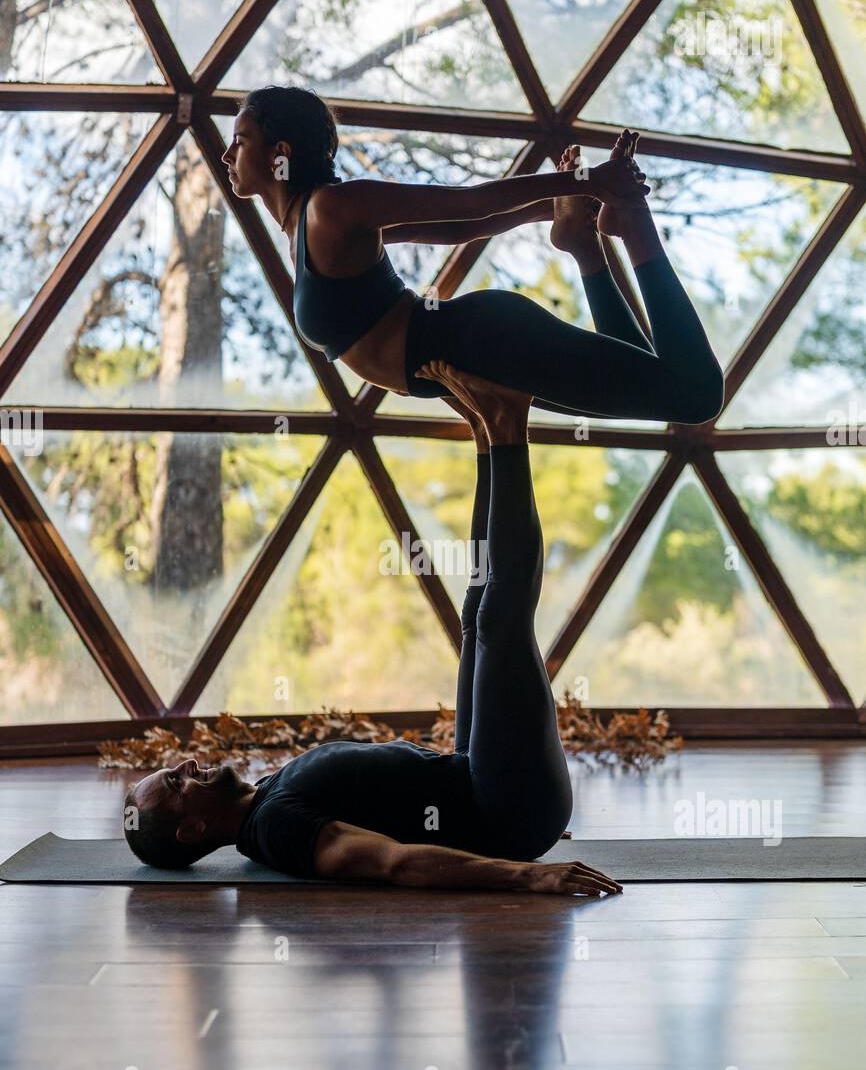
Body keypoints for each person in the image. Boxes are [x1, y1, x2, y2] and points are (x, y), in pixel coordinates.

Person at [123, 367, 622, 899]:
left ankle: (486, 434)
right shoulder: (275, 830)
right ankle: (508, 422)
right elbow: (393, 863)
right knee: (501, 619)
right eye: (175, 784)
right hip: (504, 806)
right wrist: (527, 872)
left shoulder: (263, 799)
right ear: (193, 829)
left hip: (480, 781)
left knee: (478, 613)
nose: (183, 765)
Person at [221, 85, 723, 424]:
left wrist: (587, 182)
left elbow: (467, 201)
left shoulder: (331, 209)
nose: (227, 155)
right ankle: (584, 245)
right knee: (654, 390)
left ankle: (632, 222)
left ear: (278, 153)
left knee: (693, 395)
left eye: (239, 141)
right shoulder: (306, 227)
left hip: (485, 341)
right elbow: (458, 228)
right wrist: (551, 208)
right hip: (477, 358)